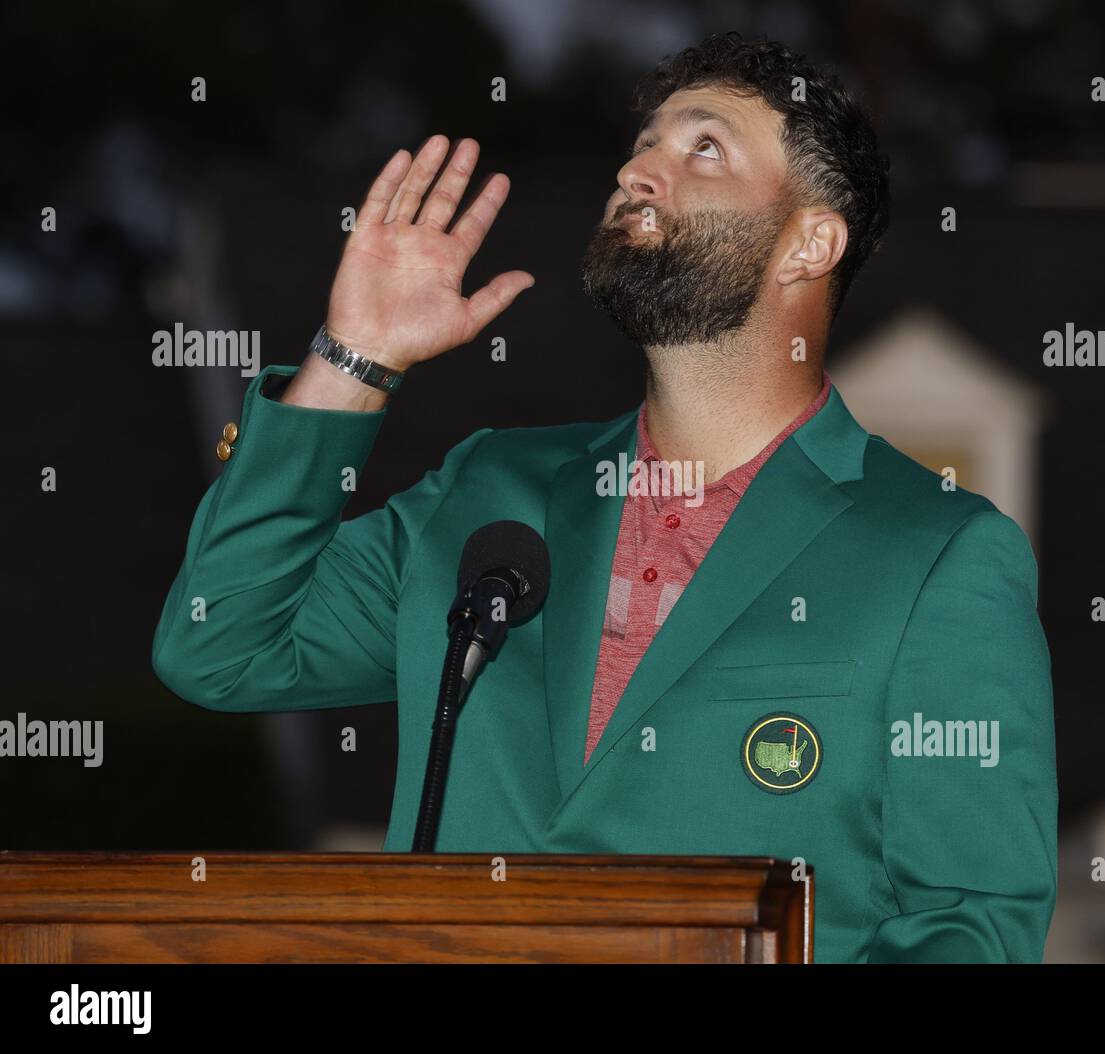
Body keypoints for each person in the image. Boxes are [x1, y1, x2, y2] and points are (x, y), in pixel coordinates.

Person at [153, 32, 1057, 963]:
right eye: (645, 143)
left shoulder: (938, 555)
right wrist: (354, 360)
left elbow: (971, 926)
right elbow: (221, 642)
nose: (638, 169)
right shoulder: (488, 492)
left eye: (702, 147)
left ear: (810, 241)